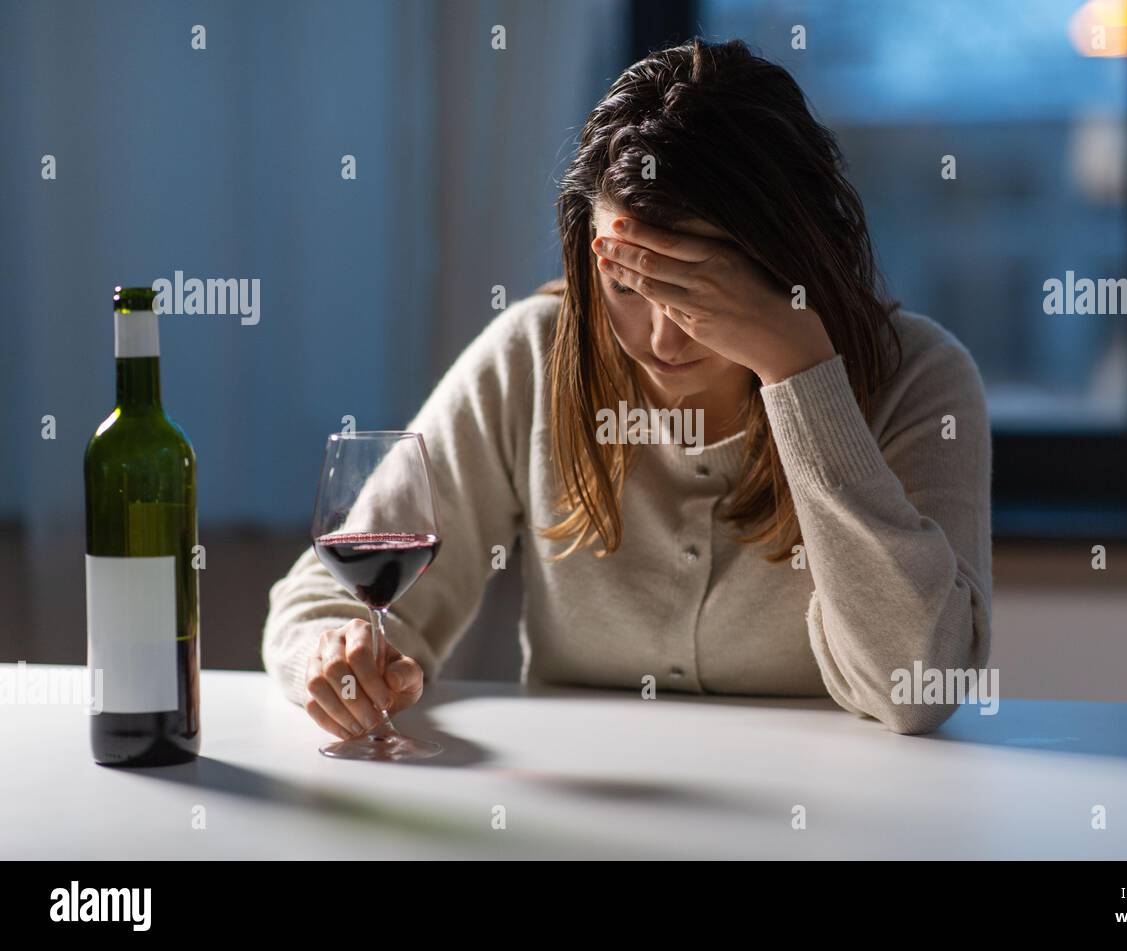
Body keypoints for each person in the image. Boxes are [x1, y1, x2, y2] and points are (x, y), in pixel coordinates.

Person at [263, 37, 992, 737]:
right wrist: (332, 655)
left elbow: (916, 687)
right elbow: (321, 601)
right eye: (628, 285)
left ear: (790, 259)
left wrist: (799, 372)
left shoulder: (920, 377)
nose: (664, 340)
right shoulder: (533, 353)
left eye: (699, 291)